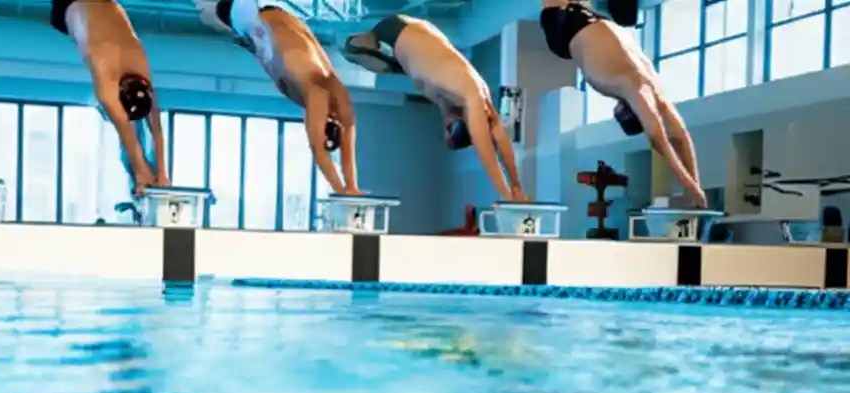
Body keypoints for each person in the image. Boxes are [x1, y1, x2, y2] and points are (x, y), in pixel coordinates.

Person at [540, 0, 707, 208]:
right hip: (569, 24)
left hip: (585, 21)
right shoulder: (632, 88)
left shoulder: (654, 84)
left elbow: (682, 135)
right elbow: (658, 138)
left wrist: (695, 184)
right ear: (627, 111)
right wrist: (690, 185)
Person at [343, 15, 527, 202]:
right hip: (395, 34)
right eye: (449, 128)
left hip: (418, 30)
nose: (445, 125)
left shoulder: (472, 95)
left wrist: (517, 184)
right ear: (465, 122)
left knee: (408, 70)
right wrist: (507, 194)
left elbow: (500, 136)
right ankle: (353, 45)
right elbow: (487, 153)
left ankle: (366, 49)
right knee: (352, 50)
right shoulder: (473, 100)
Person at [200, 0, 361, 195]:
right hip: (256, 23)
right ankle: (236, 30)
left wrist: (350, 186)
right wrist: (345, 188)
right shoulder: (317, 93)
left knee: (259, 46)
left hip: (281, 16)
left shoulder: (334, 88)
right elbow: (321, 149)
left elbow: (347, 134)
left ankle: (238, 31)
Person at [52, 0, 169, 194]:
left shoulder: (138, 64)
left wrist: (162, 172)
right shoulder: (108, 81)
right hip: (70, 7)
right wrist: (147, 173)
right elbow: (132, 135)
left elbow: (156, 128)